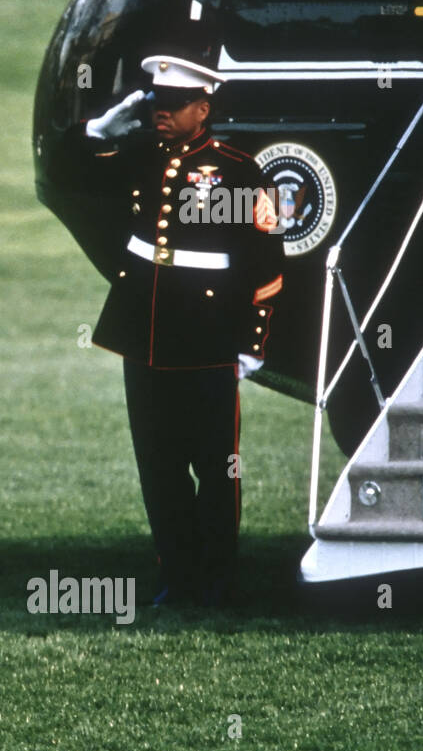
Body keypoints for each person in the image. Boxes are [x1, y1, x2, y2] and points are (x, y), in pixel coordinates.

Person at [77, 56, 285, 607]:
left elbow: (266, 264)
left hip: (209, 338)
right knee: (159, 465)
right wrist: (102, 129)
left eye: (173, 105)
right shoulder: (142, 153)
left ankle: (217, 581)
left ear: (204, 107)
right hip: (143, 334)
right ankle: (178, 576)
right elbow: (81, 172)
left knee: (216, 468)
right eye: (155, 103)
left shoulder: (238, 170)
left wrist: (253, 345)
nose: (161, 113)